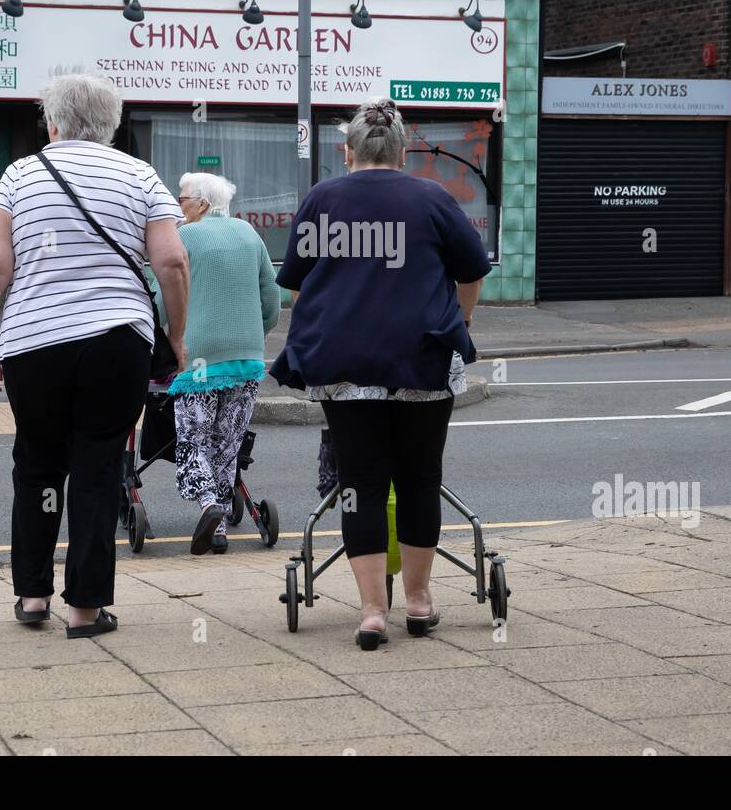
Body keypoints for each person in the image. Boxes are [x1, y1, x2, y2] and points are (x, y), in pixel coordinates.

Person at [0, 72, 189, 639]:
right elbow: (171, 264)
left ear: (54, 123)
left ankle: (33, 596)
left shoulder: (19, 176)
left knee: (38, 464)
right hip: (117, 340)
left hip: (32, 343)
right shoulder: (140, 174)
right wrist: (177, 335)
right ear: (112, 127)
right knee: (98, 468)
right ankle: (86, 609)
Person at [271, 99, 490, 649]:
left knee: (360, 486)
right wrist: (458, 321)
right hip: (423, 357)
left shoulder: (324, 198)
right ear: (401, 151)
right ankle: (418, 603)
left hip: (345, 364)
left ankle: (372, 613)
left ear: (347, 152)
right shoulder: (432, 197)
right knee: (420, 480)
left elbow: (294, 280)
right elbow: (471, 271)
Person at [163, 172, 280, 554]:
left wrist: (167, 335)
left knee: (194, 441)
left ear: (201, 203)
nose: (178, 206)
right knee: (227, 445)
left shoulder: (185, 237)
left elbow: (166, 294)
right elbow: (270, 298)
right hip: (246, 357)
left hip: (199, 358)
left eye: (182, 199)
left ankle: (210, 505)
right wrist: (254, 333)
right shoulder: (249, 234)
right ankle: (219, 528)